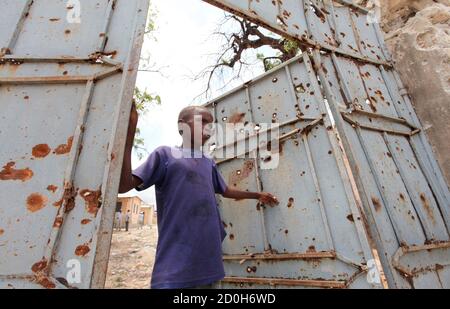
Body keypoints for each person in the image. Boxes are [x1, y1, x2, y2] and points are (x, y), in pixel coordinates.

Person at [119, 103, 279, 289]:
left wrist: (257, 195)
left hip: (210, 262)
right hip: (176, 264)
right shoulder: (165, 154)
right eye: (202, 121)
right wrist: (129, 129)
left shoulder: (208, 162)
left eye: (211, 123)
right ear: (182, 126)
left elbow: (225, 190)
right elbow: (124, 185)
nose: (208, 127)